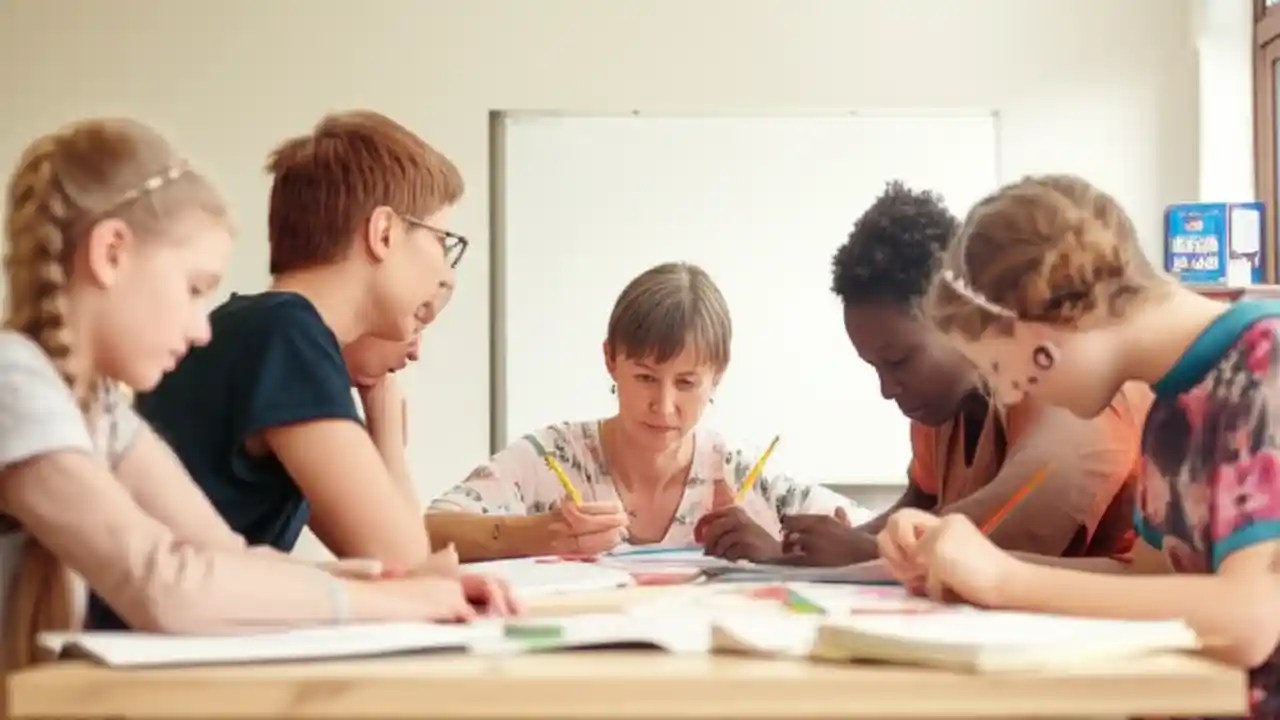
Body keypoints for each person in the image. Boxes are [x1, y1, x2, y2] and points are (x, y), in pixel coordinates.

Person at [0, 118, 511, 670]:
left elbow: (220, 555)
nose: (201, 328)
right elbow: (165, 583)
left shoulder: (97, 410)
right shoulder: (15, 383)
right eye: (193, 289)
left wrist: (377, 589)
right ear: (112, 253)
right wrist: (389, 597)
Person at [878, 174, 1280, 717]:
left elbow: (1250, 619)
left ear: (1049, 329)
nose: (1004, 393)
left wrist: (1004, 580)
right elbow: (1144, 582)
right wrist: (970, 566)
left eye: (997, 367)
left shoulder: (1265, 366)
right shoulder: (1172, 406)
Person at [133, 110, 462, 569]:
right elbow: (404, 563)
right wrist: (385, 427)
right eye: (442, 242)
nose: (445, 272)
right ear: (384, 233)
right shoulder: (286, 335)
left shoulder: (259, 325)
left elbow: (383, 556)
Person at [781, 181, 1150, 567]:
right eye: (874, 367)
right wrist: (812, 548)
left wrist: (869, 552)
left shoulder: (1055, 371)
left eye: (899, 360)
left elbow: (1032, 510)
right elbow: (919, 506)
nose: (887, 389)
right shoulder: (940, 408)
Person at [427, 261, 867, 562]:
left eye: (687, 382)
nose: (664, 405)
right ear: (610, 360)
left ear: (719, 376)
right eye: (644, 378)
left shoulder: (739, 470)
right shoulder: (551, 456)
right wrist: (539, 534)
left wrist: (776, 552)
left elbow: (864, 533)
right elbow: (428, 530)